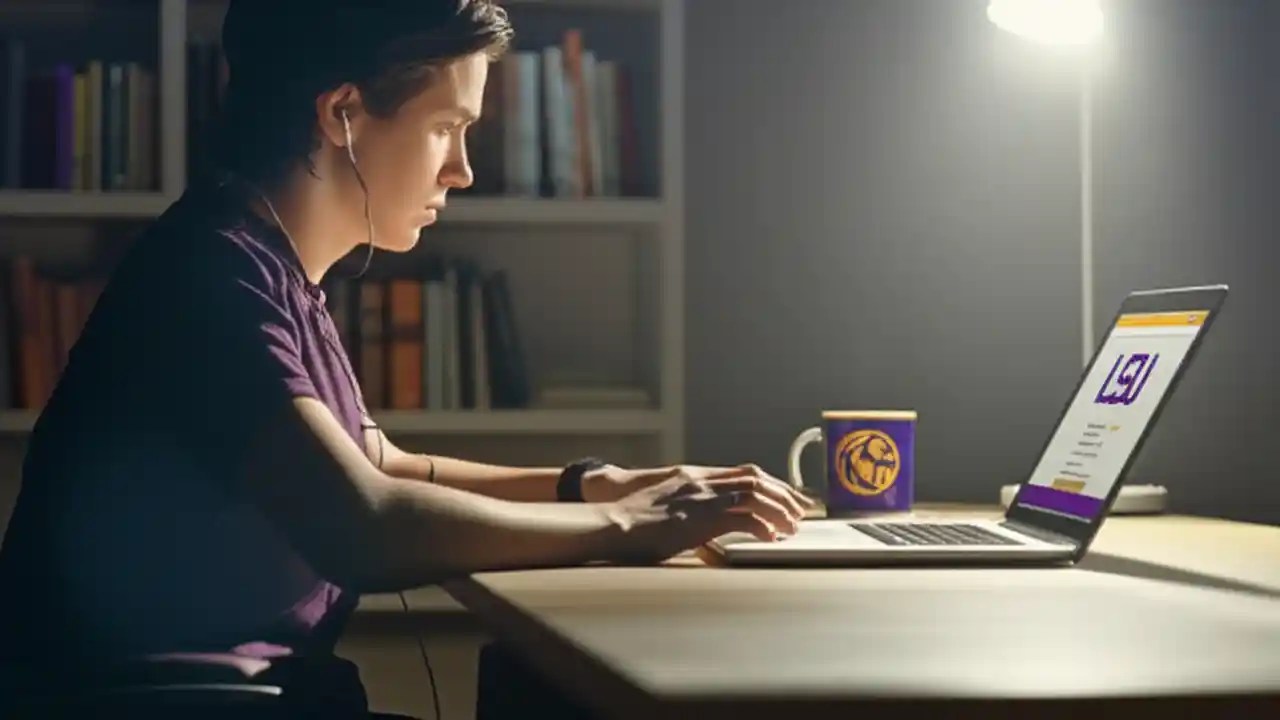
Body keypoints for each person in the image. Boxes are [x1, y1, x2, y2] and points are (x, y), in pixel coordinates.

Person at [0, 0, 811, 717]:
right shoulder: (206, 277)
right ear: (343, 113)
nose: (462, 170)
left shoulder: (269, 267)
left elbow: (381, 462)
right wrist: (625, 526)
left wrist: (592, 483)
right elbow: (366, 524)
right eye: (446, 129)